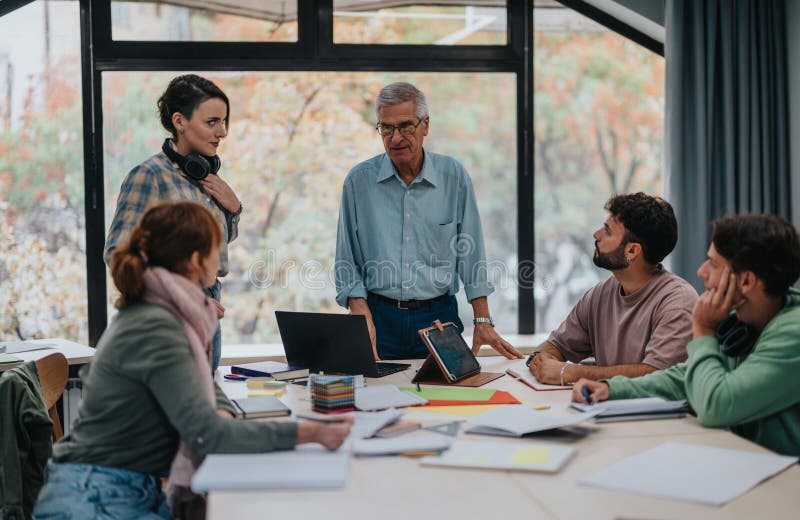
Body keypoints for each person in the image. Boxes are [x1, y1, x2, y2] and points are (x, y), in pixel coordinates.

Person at [34, 202, 351, 519]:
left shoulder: (160, 312)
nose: (222, 259)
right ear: (197, 260)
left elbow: (201, 390)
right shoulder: (156, 327)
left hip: (115, 487)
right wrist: (310, 433)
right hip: (95, 496)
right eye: (217, 249)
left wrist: (223, 411)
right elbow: (207, 435)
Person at [573, 214, 800, 456]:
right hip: (747, 460)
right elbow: (683, 378)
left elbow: (715, 406)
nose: (701, 272)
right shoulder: (742, 320)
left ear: (745, 281)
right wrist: (612, 389)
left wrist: (703, 329)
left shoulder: (792, 333)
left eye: (713, 264)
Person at [334, 82, 523, 361]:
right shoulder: (358, 182)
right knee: (378, 389)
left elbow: (471, 255)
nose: (396, 138)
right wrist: (359, 310)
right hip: (378, 319)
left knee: (448, 390)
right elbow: (346, 258)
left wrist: (482, 320)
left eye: (405, 126)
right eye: (386, 128)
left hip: (439, 319)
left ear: (425, 125)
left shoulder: (453, 177)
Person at [104, 74, 242, 373]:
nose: (222, 132)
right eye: (212, 122)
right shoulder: (149, 176)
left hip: (209, 304)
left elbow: (216, 247)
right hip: (170, 312)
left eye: (224, 122)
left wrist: (234, 209)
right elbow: (118, 255)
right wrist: (185, 299)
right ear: (180, 121)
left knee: (202, 394)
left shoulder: (206, 177)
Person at [529, 193, 698, 385]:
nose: (596, 235)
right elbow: (556, 345)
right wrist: (542, 359)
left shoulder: (678, 303)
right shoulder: (600, 294)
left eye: (608, 232)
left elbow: (657, 376)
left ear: (632, 250)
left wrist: (571, 372)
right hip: (601, 402)